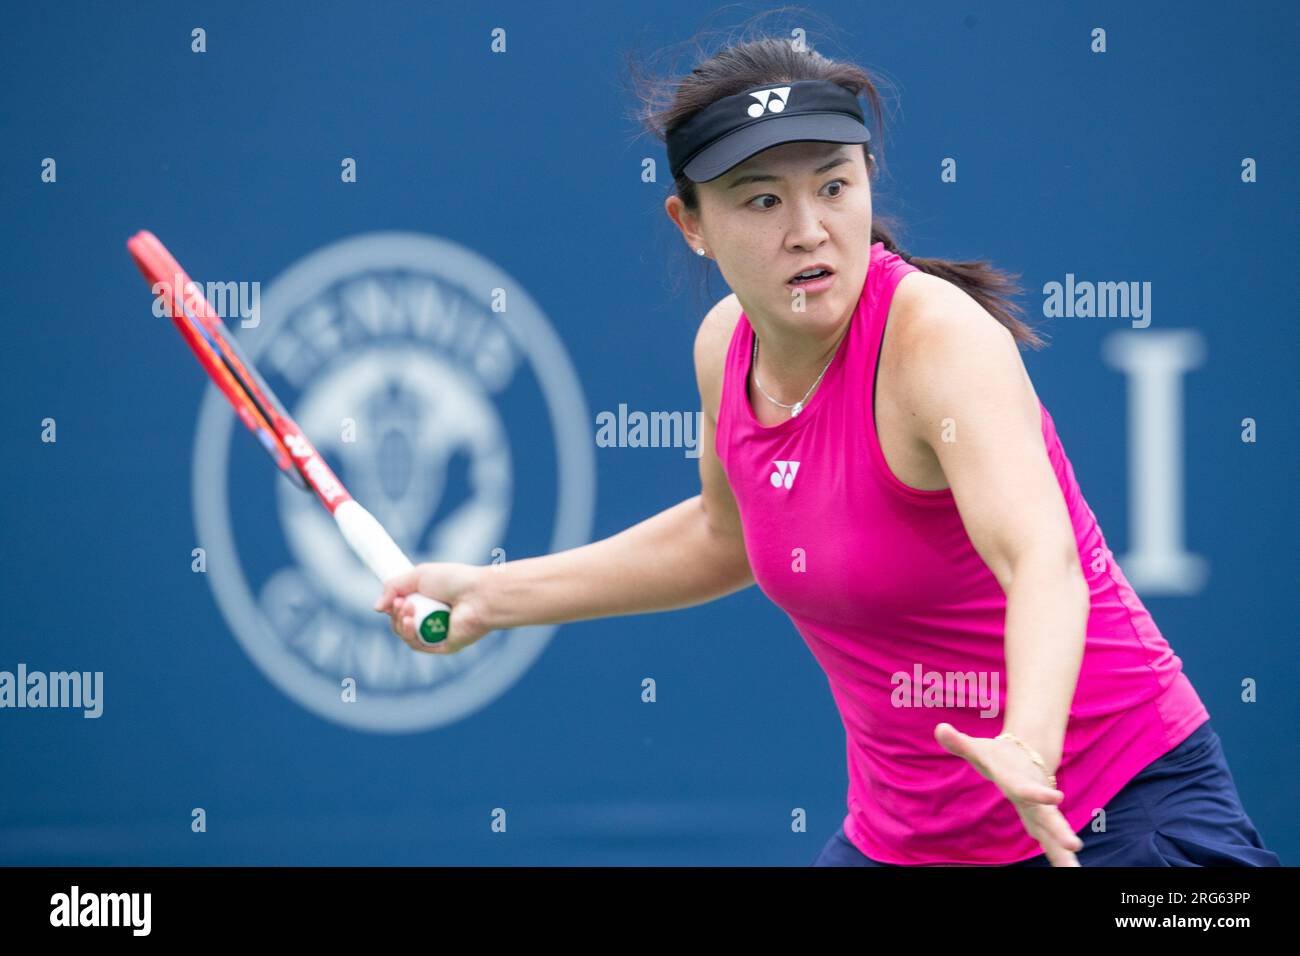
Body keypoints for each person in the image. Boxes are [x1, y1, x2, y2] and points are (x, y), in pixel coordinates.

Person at [373, 37, 1280, 868]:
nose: (808, 228)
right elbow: (725, 535)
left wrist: (1028, 742)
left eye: (834, 186)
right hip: (904, 840)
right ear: (691, 222)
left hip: (1115, 815)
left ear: (869, 182)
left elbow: (1039, 558)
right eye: (761, 199)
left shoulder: (938, 341)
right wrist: (494, 595)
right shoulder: (723, 347)